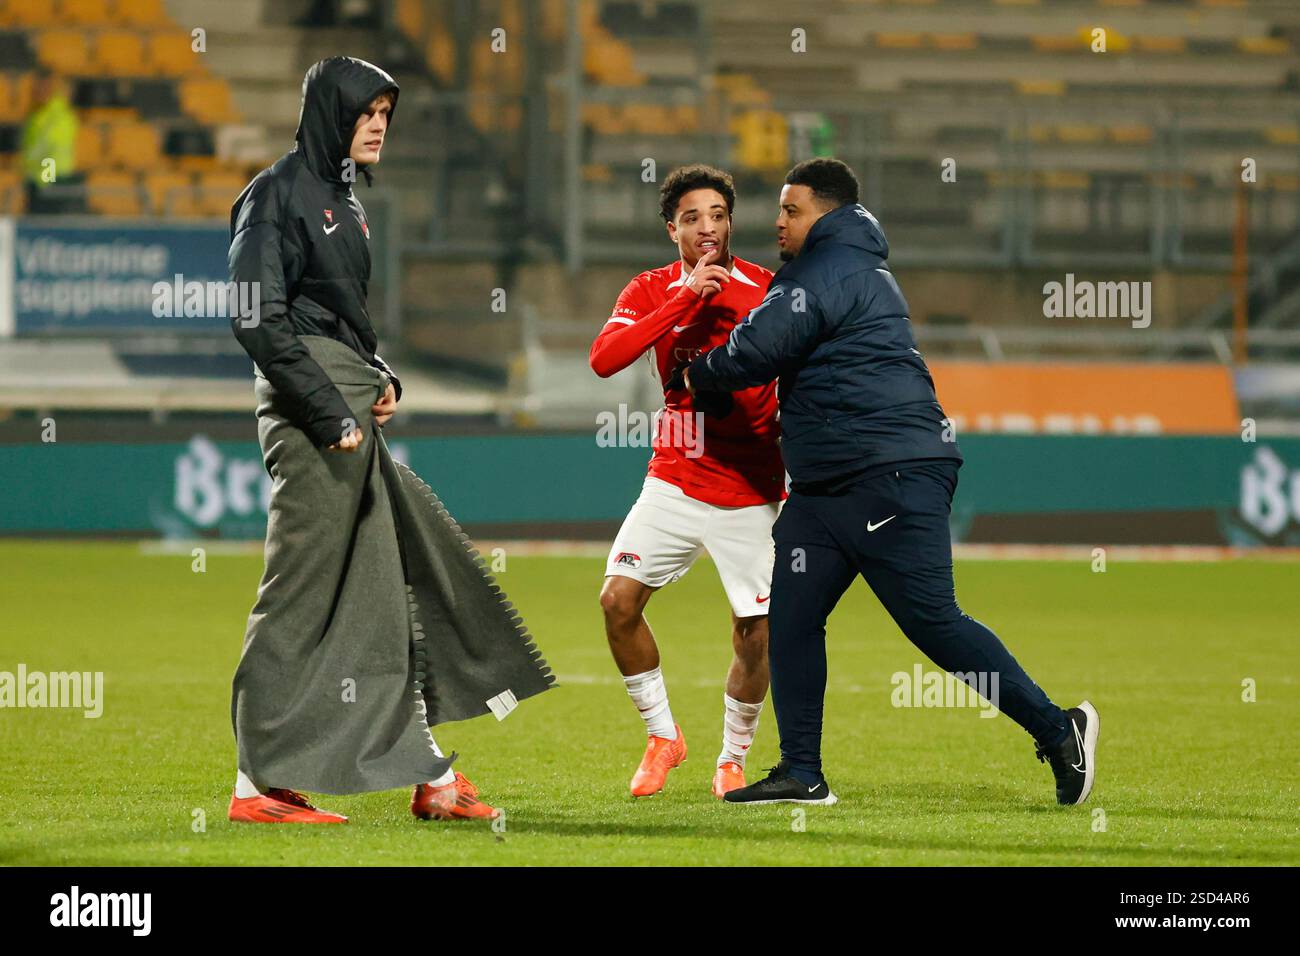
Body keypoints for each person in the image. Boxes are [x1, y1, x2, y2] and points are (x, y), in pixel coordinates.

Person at [685, 158, 1099, 806]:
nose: (778, 222)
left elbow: (757, 350)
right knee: (790, 616)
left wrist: (696, 370)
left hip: (889, 471)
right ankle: (802, 771)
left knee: (933, 622)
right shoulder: (844, 262)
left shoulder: (826, 268)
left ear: (825, 213)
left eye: (790, 211)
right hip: (829, 484)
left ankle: (1059, 729)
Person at [225, 56, 553, 825]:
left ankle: (429, 774)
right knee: (300, 594)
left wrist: (378, 373)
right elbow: (254, 317)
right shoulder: (272, 196)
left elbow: (339, 318)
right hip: (314, 419)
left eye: (384, 114)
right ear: (328, 114)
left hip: (343, 402)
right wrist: (329, 411)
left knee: (394, 585)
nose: (377, 125)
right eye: (365, 111)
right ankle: (253, 786)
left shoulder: (347, 202)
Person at [589, 165, 783, 798]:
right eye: (693, 217)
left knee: (756, 630)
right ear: (671, 227)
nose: (708, 228)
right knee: (617, 603)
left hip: (753, 483)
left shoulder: (768, 287)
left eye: (718, 216)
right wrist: (685, 298)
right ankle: (663, 737)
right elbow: (604, 360)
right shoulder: (650, 289)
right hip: (676, 473)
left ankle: (732, 758)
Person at [20, 71, 82, 215]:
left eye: (42, 87)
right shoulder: (38, 114)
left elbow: (53, 150)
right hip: (37, 180)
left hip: (52, 181)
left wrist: (46, 179)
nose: (36, 91)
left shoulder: (56, 115)